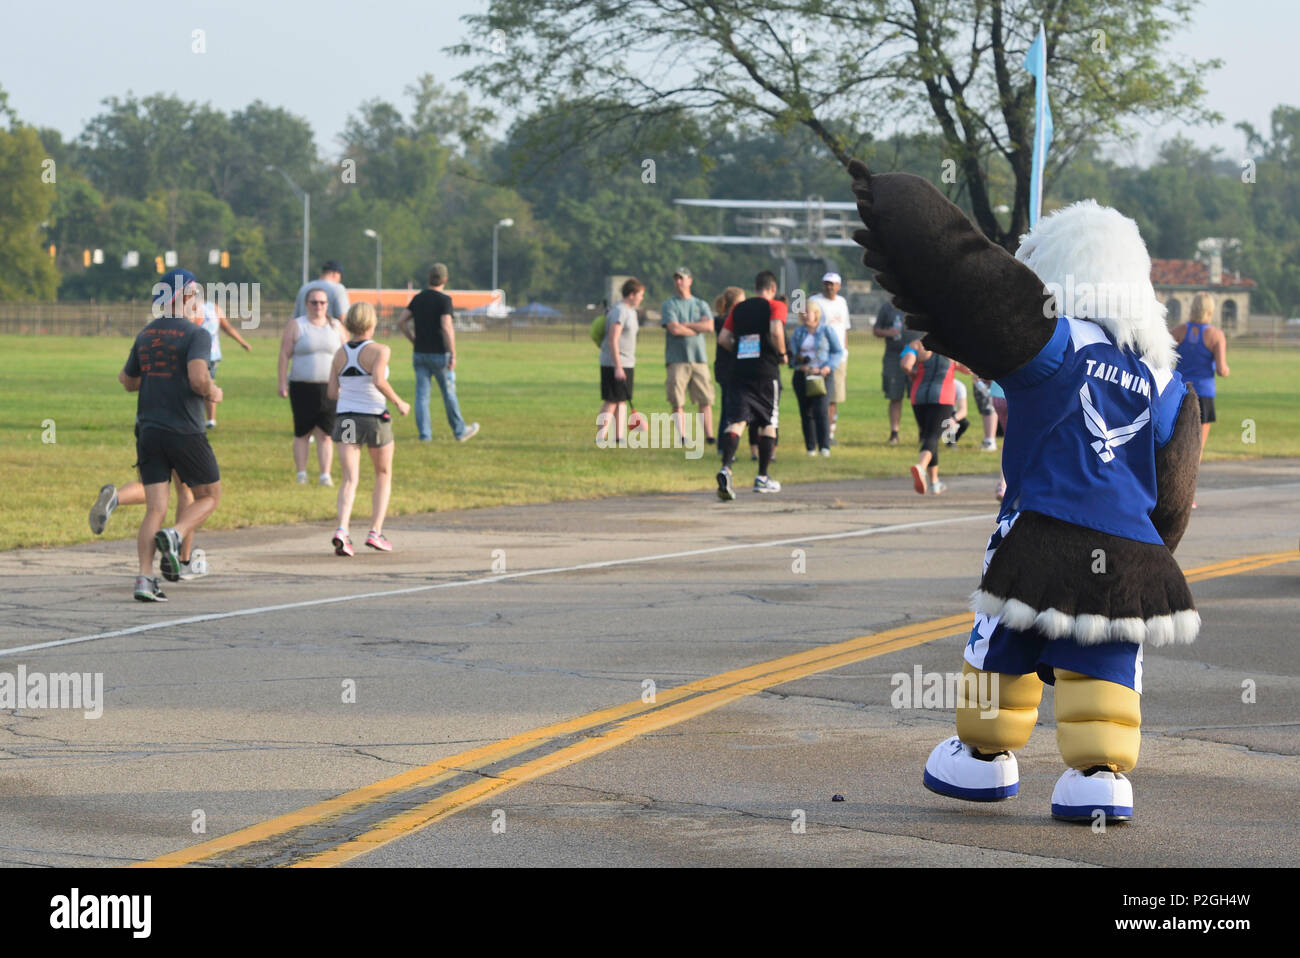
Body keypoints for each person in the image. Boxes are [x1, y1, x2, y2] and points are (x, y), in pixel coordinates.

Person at [118, 268, 223, 601]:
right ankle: (176, 535)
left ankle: (144, 580)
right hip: (184, 430)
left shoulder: (147, 333)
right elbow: (197, 378)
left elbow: (128, 381)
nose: (201, 303)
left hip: (148, 428)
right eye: (198, 295)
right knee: (209, 495)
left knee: (154, 508)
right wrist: (212, 391)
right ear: (185, 297)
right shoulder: (197, 334)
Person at [327, 302, 410, 556]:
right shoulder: (380, 350)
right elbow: (378, 380)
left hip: (347, 419)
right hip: (374, 417)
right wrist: (399, 401)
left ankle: (342, 529)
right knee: (383, 474)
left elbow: (331, 392)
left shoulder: (339, 354)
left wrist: (350, 391)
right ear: (372, 323)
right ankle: (375, 531)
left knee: (350, 478)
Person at [716, 270, 787, 498]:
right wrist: (782, 353)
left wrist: (740, 352)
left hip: (740, 371)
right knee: (769, 421)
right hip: (766, 372)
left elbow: (724, 339)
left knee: (737, 421)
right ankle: (762, 477)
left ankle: (726, 467)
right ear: (773, 288)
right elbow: (776, 330)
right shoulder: (776, 306)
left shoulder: (738, 308)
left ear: (756, 287)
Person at [397, 263, 480, 443]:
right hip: (440, 354)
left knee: (421, 395)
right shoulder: (444, 300)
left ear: (428, 278)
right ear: (445, 279)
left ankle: (425, 435)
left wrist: (414, 340)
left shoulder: (418, 298)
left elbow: (401, 321)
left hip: (419, 354)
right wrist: (453, 353)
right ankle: (459, 431)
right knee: (448, 393)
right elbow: (446, 327)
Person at [279, 288, 346, 484]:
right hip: (302, 386)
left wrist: (346, 382)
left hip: (330, 387)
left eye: (322, 303)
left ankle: (325, 474)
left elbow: (345, 355)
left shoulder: (336, 327)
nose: (318, 306)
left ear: (327, 305)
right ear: (306, 304)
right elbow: (284, 355)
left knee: (326, 433)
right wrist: (282, 382)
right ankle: (302, 473)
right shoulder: (297, 325)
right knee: (302, 432)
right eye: (314, 302)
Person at [1172, 291, 1230, 508]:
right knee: (1197, 448)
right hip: (1203, 395)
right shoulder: (1216, 335)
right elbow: (1223, 370)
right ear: (1210, 310)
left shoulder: (1178, 331)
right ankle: (1188, 497)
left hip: (1180, 392)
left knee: (1176, 442)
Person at [660, 268, 716, 446]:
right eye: (676, 279)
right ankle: (682, 436)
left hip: (699, 358)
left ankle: (708, 435)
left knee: (705, 399)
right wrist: (695, 329)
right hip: (677, 359)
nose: (678, 282)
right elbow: (674, 329)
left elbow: (709, 326)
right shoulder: (670, 304)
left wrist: (689, 325)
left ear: (690, 281)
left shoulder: (700, 304)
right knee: (677, 400)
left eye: (682, 279)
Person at [900, 338, 956, 495]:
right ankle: (921, 467)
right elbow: (968, 368)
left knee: (930, 437)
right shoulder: (953, 346)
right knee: (933, 436)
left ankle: (934, 482)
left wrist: (912, 373)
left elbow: (905, 364)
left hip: (918, 396)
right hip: (943, 397)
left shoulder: (916, 344)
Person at [788, 301, 845, 456]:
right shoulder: (799, 333)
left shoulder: (826, 330)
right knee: (806, 412)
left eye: (808, 311)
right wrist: (800, 364)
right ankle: (810, 447)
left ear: (816, 313)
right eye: (803, 312)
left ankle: (824, 446)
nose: (805, 315)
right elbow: (792, 355)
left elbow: (837, 351)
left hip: (822, 376)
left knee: (821, 410)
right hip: (804, 375)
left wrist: (827, 367)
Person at [597, 278, 644, 445]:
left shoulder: (631, 311)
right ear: (631, 294)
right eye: (640, 295)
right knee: (611, 400)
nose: (641, 298)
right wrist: (617, 366)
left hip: (627, 362)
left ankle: (619, 436)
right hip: (614, 363)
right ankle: (601, 436)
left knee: (621, 400)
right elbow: (612, 339)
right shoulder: (619, 311)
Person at [809, 272, 851, 445]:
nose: (829, 286)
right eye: (826, 283)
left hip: (839, 355)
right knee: (818, 395)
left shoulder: (842, 302)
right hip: (820, 356)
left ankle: (830, 434)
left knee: (834, 396)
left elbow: (844, 328)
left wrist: (845, 350)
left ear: (839, 286)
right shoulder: (815, 301)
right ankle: (818, 433)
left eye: (833, 284)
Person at [198, 297, 252, 429]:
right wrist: (243, 342)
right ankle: (210, 420)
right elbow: (227, 327)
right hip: (212, 354)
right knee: (208, 383)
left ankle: (205, 419)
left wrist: (242, 342)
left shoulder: (189, 309)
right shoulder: (214, 308)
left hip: (200, 354)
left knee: (198, 384)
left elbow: (227, 327)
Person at [872, 300, 917, 444]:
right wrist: (888, 332)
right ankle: (894, 433)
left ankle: (924, 433)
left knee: (919, 398)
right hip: (893, 357)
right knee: (895, 395)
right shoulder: (888, 306)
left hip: (918, 357)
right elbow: (876, 330)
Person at [712, 286, 746, 439]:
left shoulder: (722, 319)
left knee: (727, 406)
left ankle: (723, 442)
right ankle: (724, 443)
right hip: (728, 369)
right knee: (729, 408)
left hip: (723, 368)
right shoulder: (725, 320)